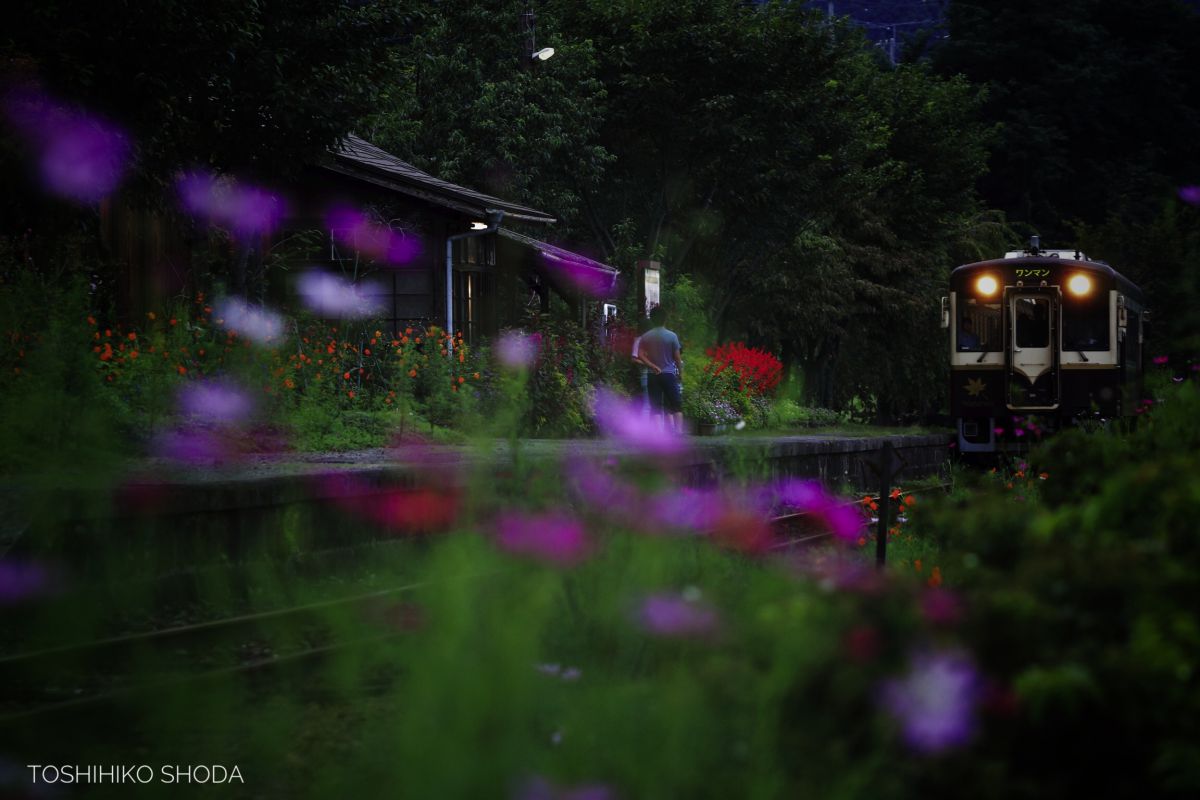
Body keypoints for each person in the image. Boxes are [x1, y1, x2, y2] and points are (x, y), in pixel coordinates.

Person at [639, 305, 684, 433]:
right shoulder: (672, 336)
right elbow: (677, 358)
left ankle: (659, 434)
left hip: (653, 375)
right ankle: (679, 432)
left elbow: (640, 355)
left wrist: (652, 366)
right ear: (665, 319)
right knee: (675, 404)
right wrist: (680, 373)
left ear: (652, 319)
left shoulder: (646, 336)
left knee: (656, 406)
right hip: (669, 374)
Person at [630, 316, 653, 415]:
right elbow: (634, 359)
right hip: (646, 373)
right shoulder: (639, 340)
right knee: (648, 405)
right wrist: (648, 363)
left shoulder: (650, 340)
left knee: (655, 405)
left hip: (654, 373)